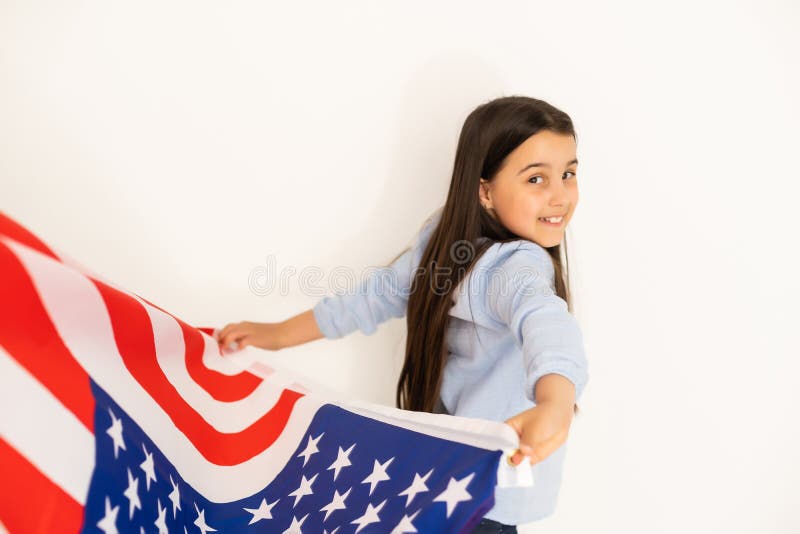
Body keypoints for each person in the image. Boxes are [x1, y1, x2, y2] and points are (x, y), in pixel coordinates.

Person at [216, 95, 589, 533]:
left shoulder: (453, 241)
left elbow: (546, 325)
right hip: (482, 486)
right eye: (536, 179)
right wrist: (276, 334)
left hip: (463, 476)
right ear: (485, 190)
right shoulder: (511, 263)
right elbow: (377, 297)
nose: (560, 196)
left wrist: (555, 401)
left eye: (568, 174)